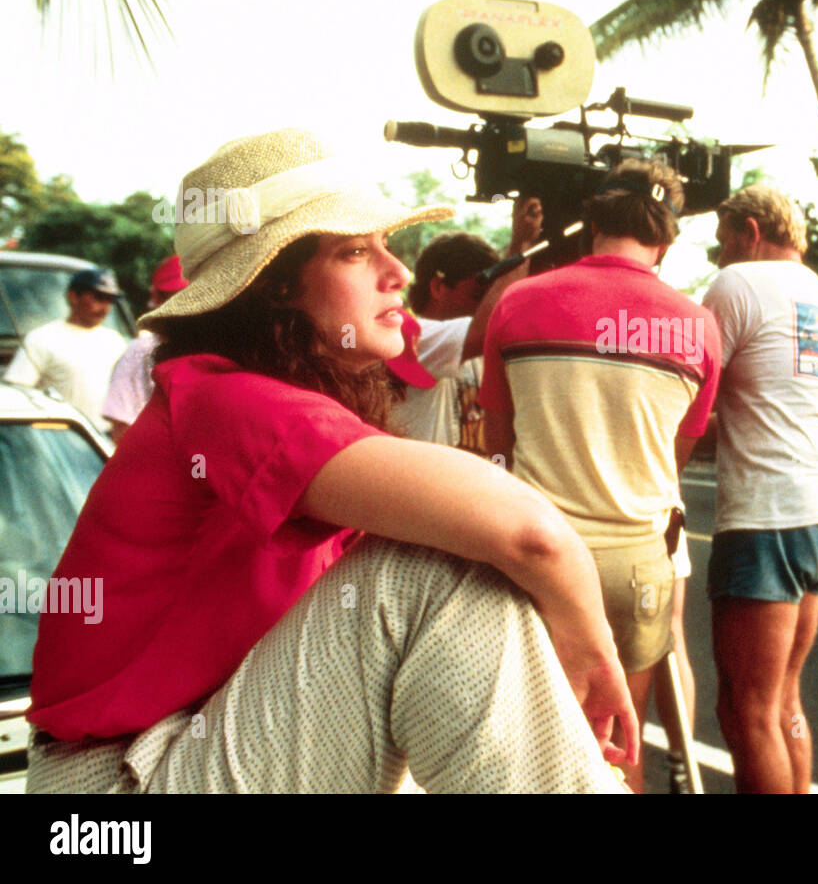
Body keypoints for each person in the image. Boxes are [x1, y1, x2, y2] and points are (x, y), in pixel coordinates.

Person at [25, 127, 635, 794]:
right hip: (113, 788)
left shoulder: (277, 400)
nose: (396, 270)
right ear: (276, 287)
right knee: (430, 570)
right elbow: (530, 534)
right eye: (353, 251)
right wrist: (592, 651)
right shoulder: (218, 394)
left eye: (385, 244)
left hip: (189, 745)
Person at [480, 160, 721, 792]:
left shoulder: (519, 302)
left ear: (592, 228)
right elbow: (677, 455)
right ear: (664, 243)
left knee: (536, 742)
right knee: (619, 743)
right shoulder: (697, 326)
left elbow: (497, 449)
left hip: (539, 555)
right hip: (639, 563)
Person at [701, 183, 818, 794]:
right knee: (782, 700)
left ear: (749, 230)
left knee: (745, 712)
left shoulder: (737, 284)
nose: (718, 258)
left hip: (770, 514)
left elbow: (692, 399)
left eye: (723, 243)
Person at [390, 231, 504, 450]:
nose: (487, 307)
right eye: (479, 297)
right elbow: (489, 327)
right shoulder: (414, 336)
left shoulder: (472, 351)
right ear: (438, 287)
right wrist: (522, 250)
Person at [3, 267, 128, 433]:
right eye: (98, 297)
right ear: (73, 297)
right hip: (59, 440)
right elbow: (17, 395)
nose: (105, 307)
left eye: (110, 300)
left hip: (104, 442)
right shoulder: (42, 338)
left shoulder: (116, 342)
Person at [102, 255, 189, 443]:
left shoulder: (229, 347)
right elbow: (122, 428)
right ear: (156, 299)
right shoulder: (142, 349)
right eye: (174, 297)